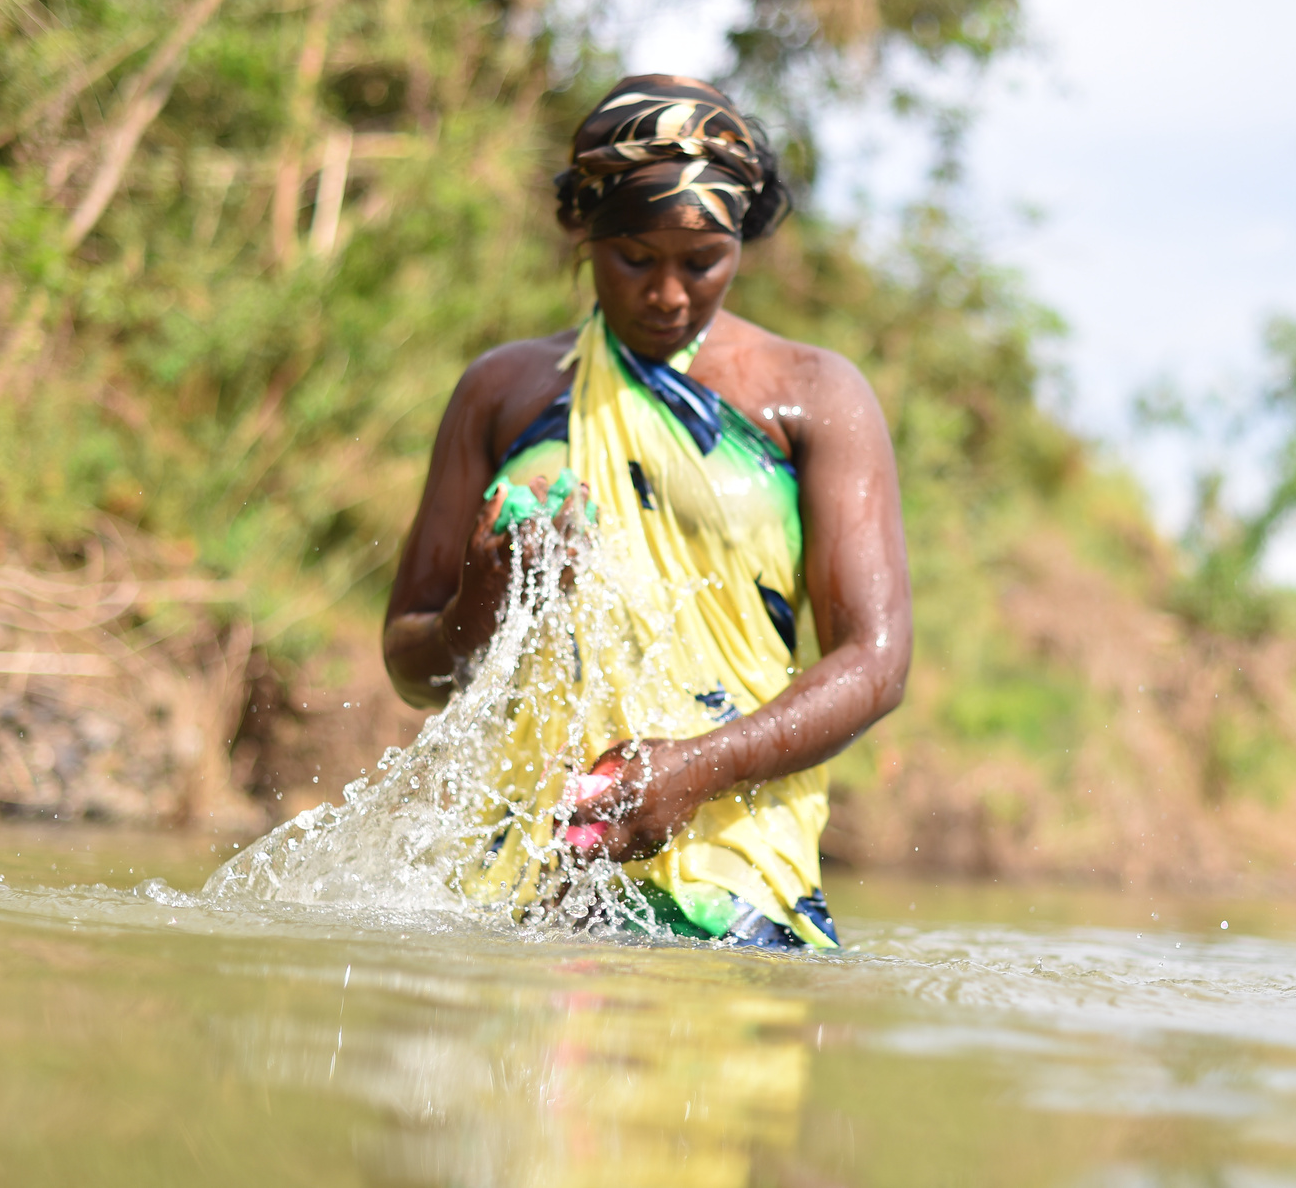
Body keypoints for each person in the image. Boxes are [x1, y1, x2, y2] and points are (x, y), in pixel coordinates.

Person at [382, 75, 910, 950]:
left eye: (702, 262)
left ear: (741, 242)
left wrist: (697, 772)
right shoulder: (504, 394)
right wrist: (485, 599)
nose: (668, 294)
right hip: (533, 860)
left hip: (735, 871)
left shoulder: (815, 397)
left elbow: (876, 663)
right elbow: (412, 665)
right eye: (636, 259)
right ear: (586, 237)